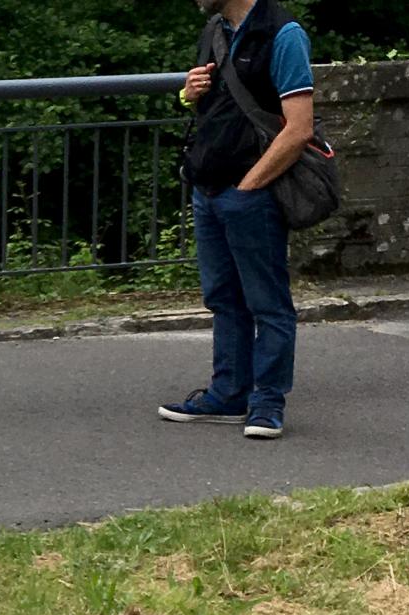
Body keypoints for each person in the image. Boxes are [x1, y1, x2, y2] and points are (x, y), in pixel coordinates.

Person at [159, 0, 315, 440]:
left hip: (251, 191)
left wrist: (251, 185)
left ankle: (267, 403)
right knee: (224, 297)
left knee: (268, 302)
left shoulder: (283, 34)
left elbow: (299, 127)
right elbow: (207, 106)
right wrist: (188, 93)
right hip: (208, 188)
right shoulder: (215, 30)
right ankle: (228, 394)